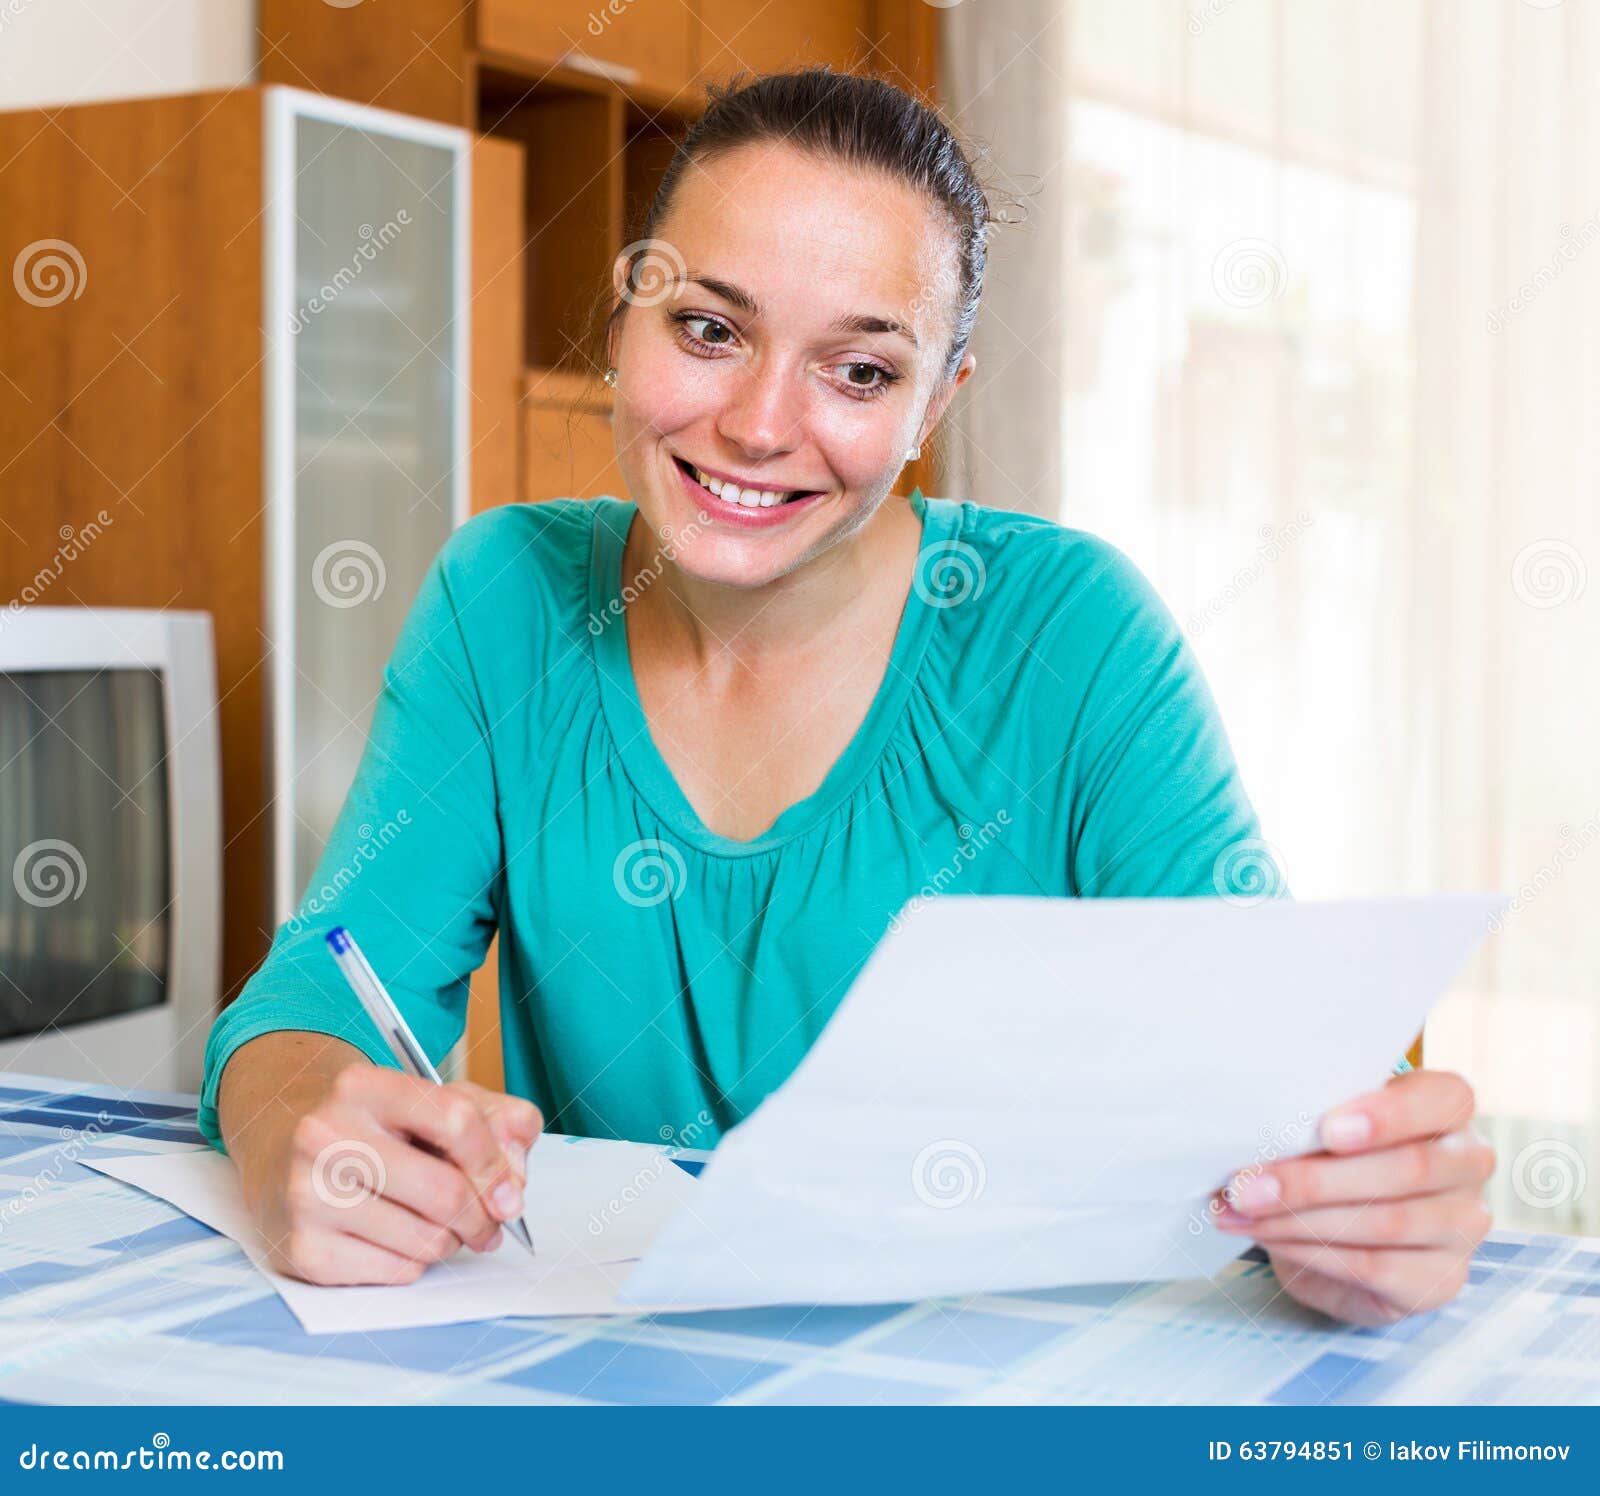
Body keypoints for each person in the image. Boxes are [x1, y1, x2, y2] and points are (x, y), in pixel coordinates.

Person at [204, 67, 1493, 1327]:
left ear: (940, 399)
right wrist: (286, 1129)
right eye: (710, 329)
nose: (762, 425)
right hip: (622, 1386)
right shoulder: (507, 599)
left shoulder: (1073, 637)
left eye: (861, 371)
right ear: (625, 315)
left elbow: (1280, 1073)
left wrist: (1365, 1207)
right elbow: (327, 988)